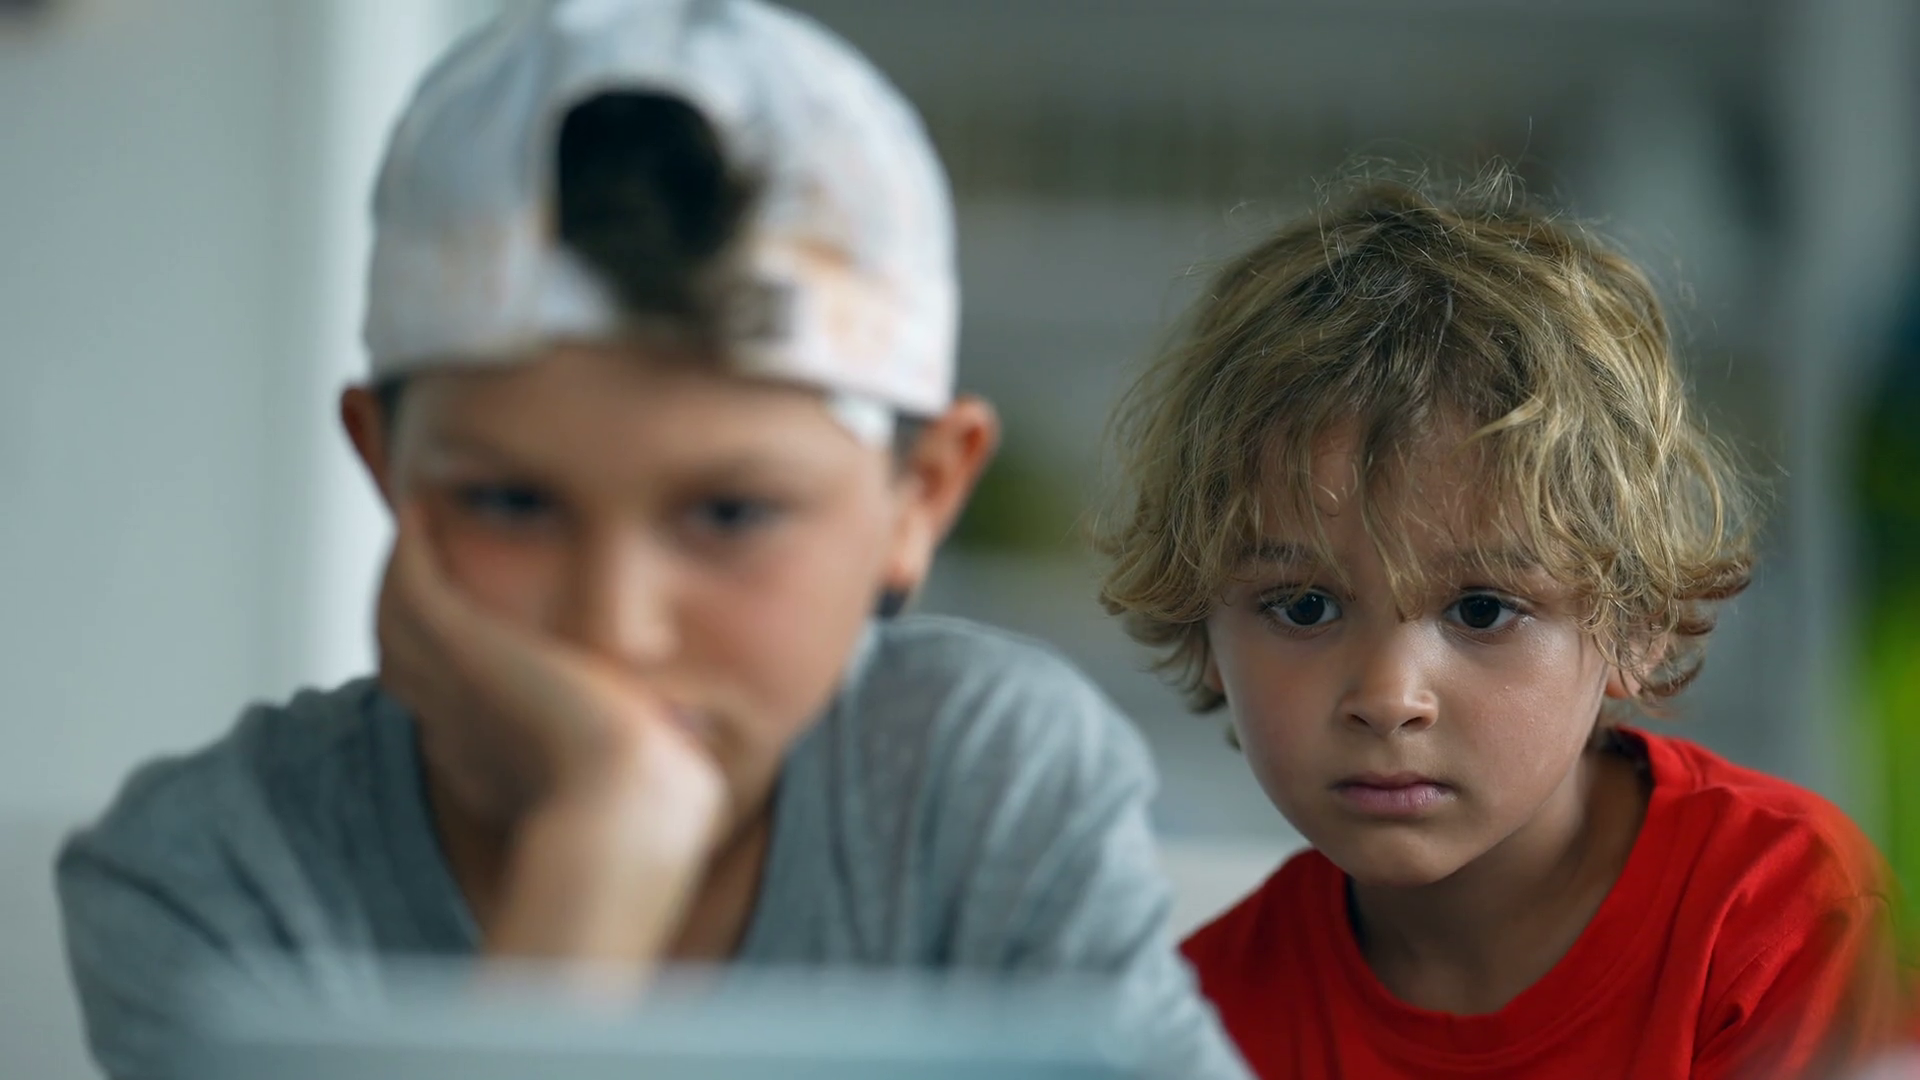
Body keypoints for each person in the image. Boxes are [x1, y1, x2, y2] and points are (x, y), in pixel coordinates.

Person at [53, 3, 1247, 1079]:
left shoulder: (983, 782)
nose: (612, 626)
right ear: (383, 468)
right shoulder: (216, 878)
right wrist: (604, 844)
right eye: (510, 503)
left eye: (729, 515)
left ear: (919, 500)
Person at [1096, 168, 1905, 1078]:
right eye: (1304, 606)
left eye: (1481, 610)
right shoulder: (1196, 1023)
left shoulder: (1781, 916)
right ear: (1202, 627)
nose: (1389, 698)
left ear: (1634, 625)